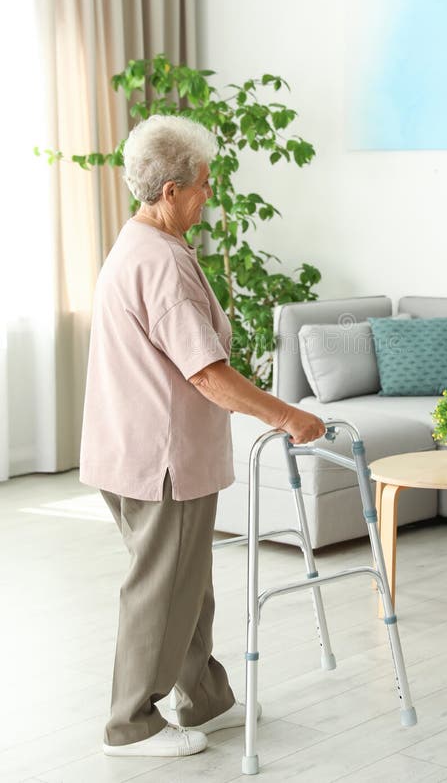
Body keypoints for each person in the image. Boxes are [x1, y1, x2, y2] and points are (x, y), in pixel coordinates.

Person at [79, 114, 325, 758]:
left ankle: (206, 698)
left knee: (185, 582)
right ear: (171, 191)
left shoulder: (139, 243)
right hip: (162, 459)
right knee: (162, 589)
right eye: (203, 183)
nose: (209, 193)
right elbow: (207, 373)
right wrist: (286, 415)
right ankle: (130, 724)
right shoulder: (161, 262)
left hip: (129, 448)